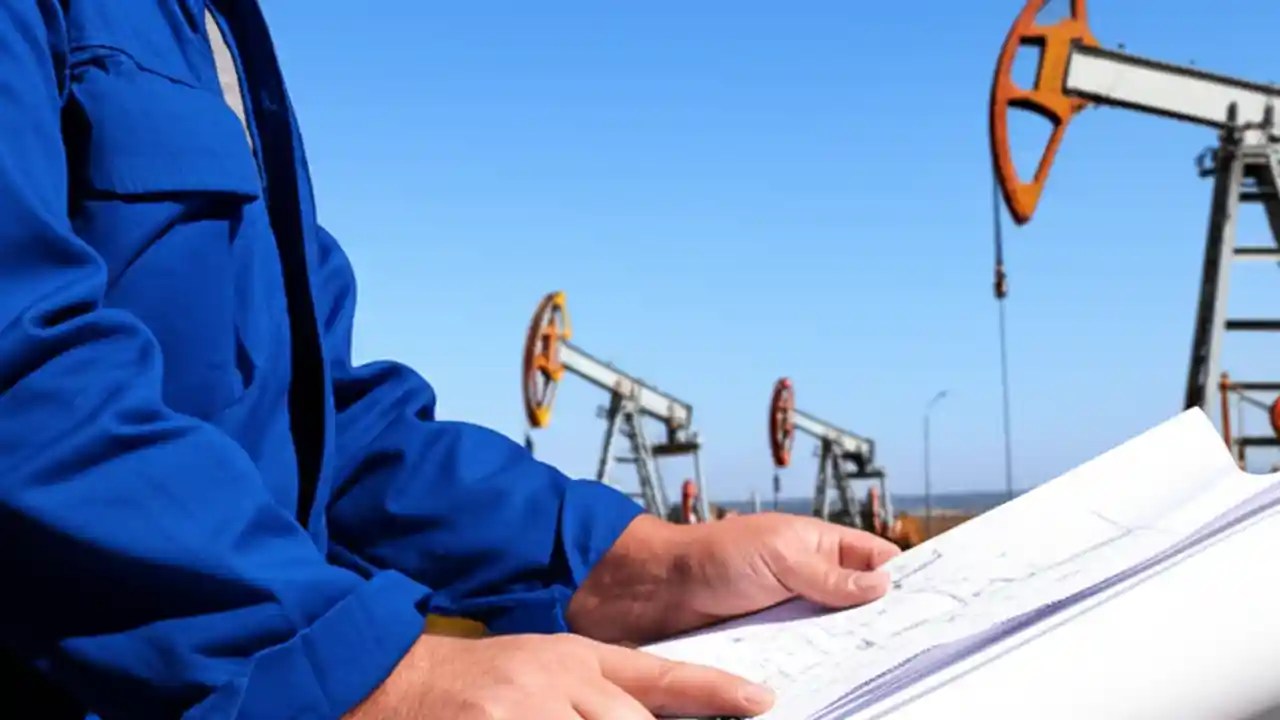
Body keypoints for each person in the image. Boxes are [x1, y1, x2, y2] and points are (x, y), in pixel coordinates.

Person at [0, 2, 901, 718]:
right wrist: (365, 680)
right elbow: (22, 381)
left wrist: (642, 563)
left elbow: (326, 426)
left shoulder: (218, 33)